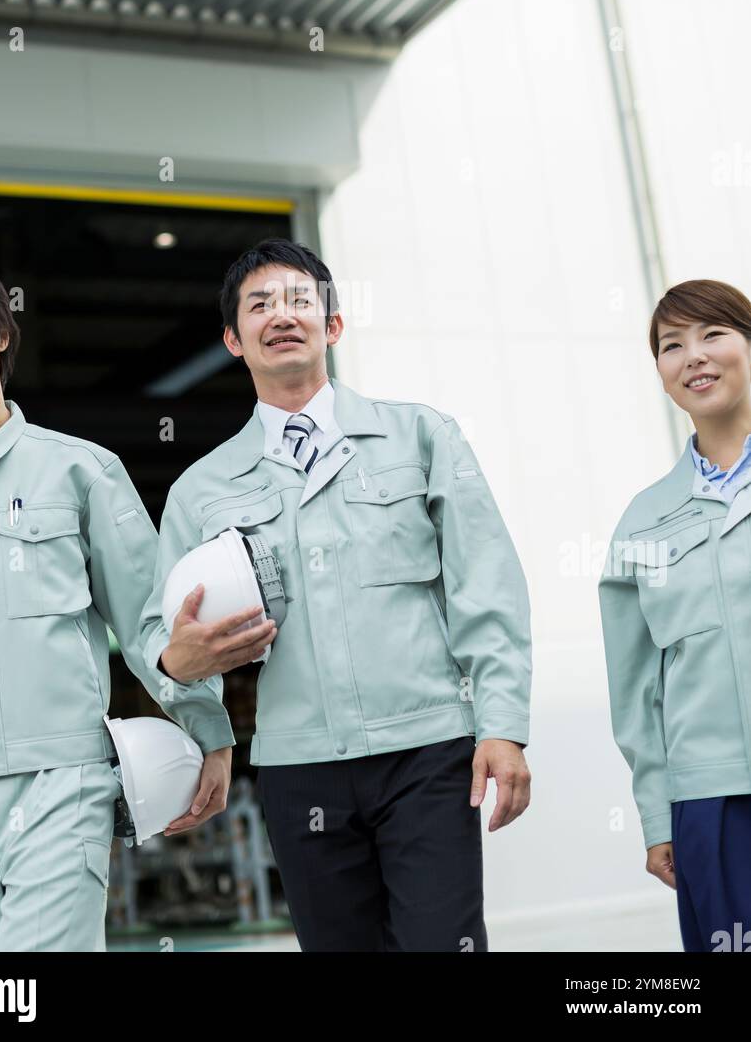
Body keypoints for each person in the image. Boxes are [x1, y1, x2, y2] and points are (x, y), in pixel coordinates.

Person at [141, 238, 532, 952]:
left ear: (333, 325)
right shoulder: (202, 489)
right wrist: (198, 706)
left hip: (427, 750)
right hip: (299, 765)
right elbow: (156, 637)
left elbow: (487, 585)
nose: (280, 315)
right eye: (258, 305)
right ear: (233, 338)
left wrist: (501, 725)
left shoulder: (419, 437)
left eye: (299, 300)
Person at [0, 251, 235, 951]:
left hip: (64, 779)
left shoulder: (82, 469)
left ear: (3, 334)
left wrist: (210, 728)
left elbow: (148, 620)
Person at [599, 279, 751, 953]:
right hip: (710, 800)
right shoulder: (645, 520)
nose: (693, 356)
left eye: (714, 334)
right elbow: (636, 690)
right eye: (671, 345)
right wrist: (658, 814)